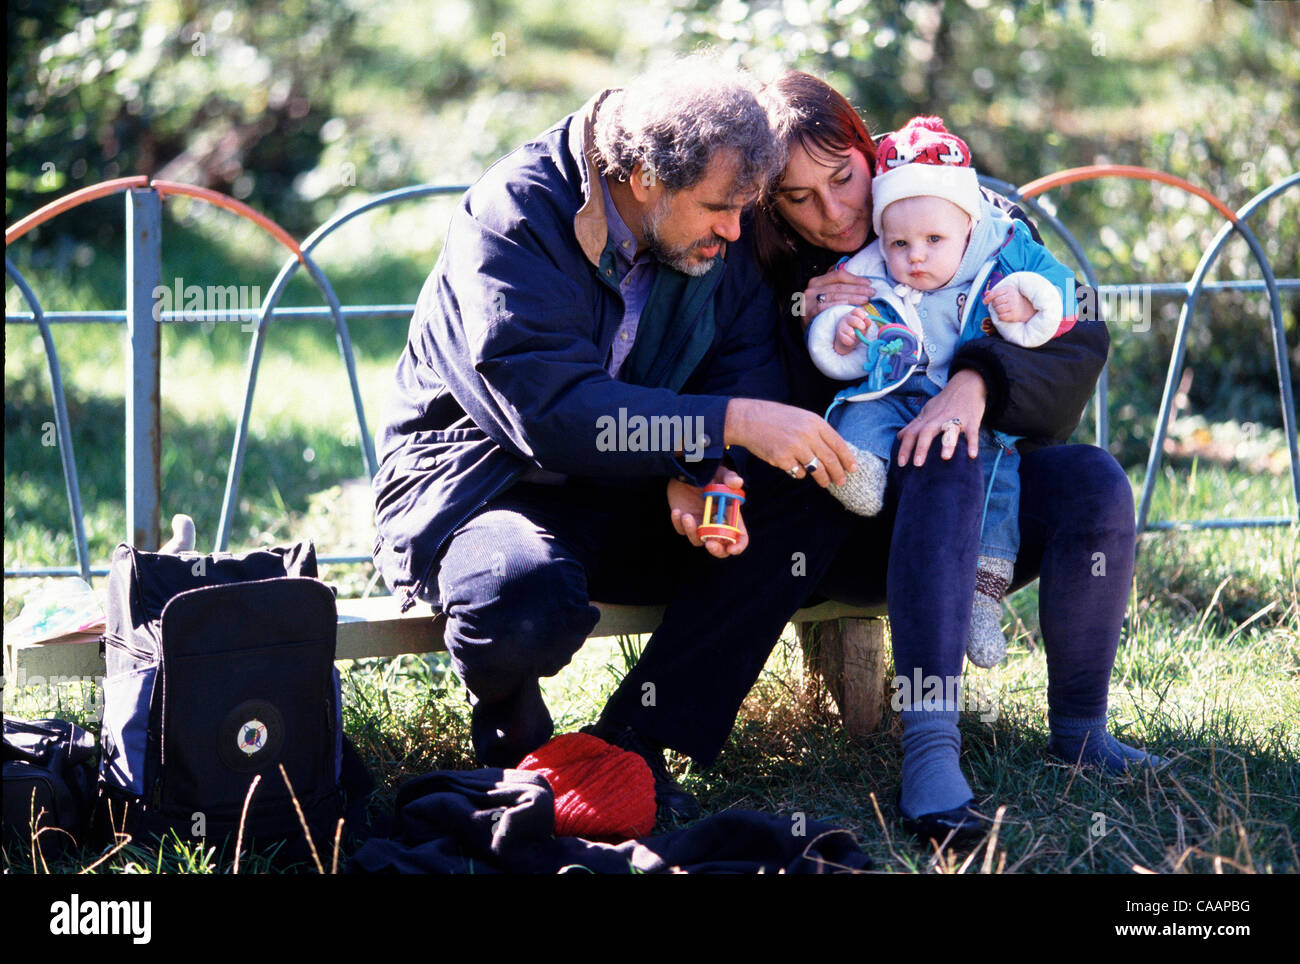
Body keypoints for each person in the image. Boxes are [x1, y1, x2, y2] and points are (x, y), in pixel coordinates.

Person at [371, 55, 861, 822]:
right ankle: (510, 722)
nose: (736, 231)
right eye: (717, 209)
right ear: (641, 178)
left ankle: (631, 744)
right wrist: (723, 427)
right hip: (489, 488)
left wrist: (715, 479)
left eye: (745, 208)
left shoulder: (713, 239)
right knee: (522, 597)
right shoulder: (514, 215)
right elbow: (552, 413)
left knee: (807, 500)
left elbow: (744, 379)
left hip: (632, 485)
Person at [755, 71, 1166, 845]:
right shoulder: (771, 264)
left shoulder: (968, 218)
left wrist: (977, 380)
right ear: (768, 204)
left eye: (844, 179)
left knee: (1093, 481)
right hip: (847, 518)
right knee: (947, 452)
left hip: (976, 497)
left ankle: (1082, 727)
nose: (834, 211)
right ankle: (931, 748)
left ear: (870, 153)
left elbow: (1077, 342)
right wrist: (804, 310)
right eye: (797, 198)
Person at [805, 114, 1080, 668]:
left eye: (934, 240)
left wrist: (1030, 304)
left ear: (968, 229)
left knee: (991, 484)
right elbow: (845, 338)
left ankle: (983, 594)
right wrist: (841, 331)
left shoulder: (1001, 258)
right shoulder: (871, 271)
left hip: (973, 416)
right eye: (900, 242)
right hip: (894, 389)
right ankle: (861, 471)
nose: (917, 257)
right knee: (858, 414)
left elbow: (1070, 300)